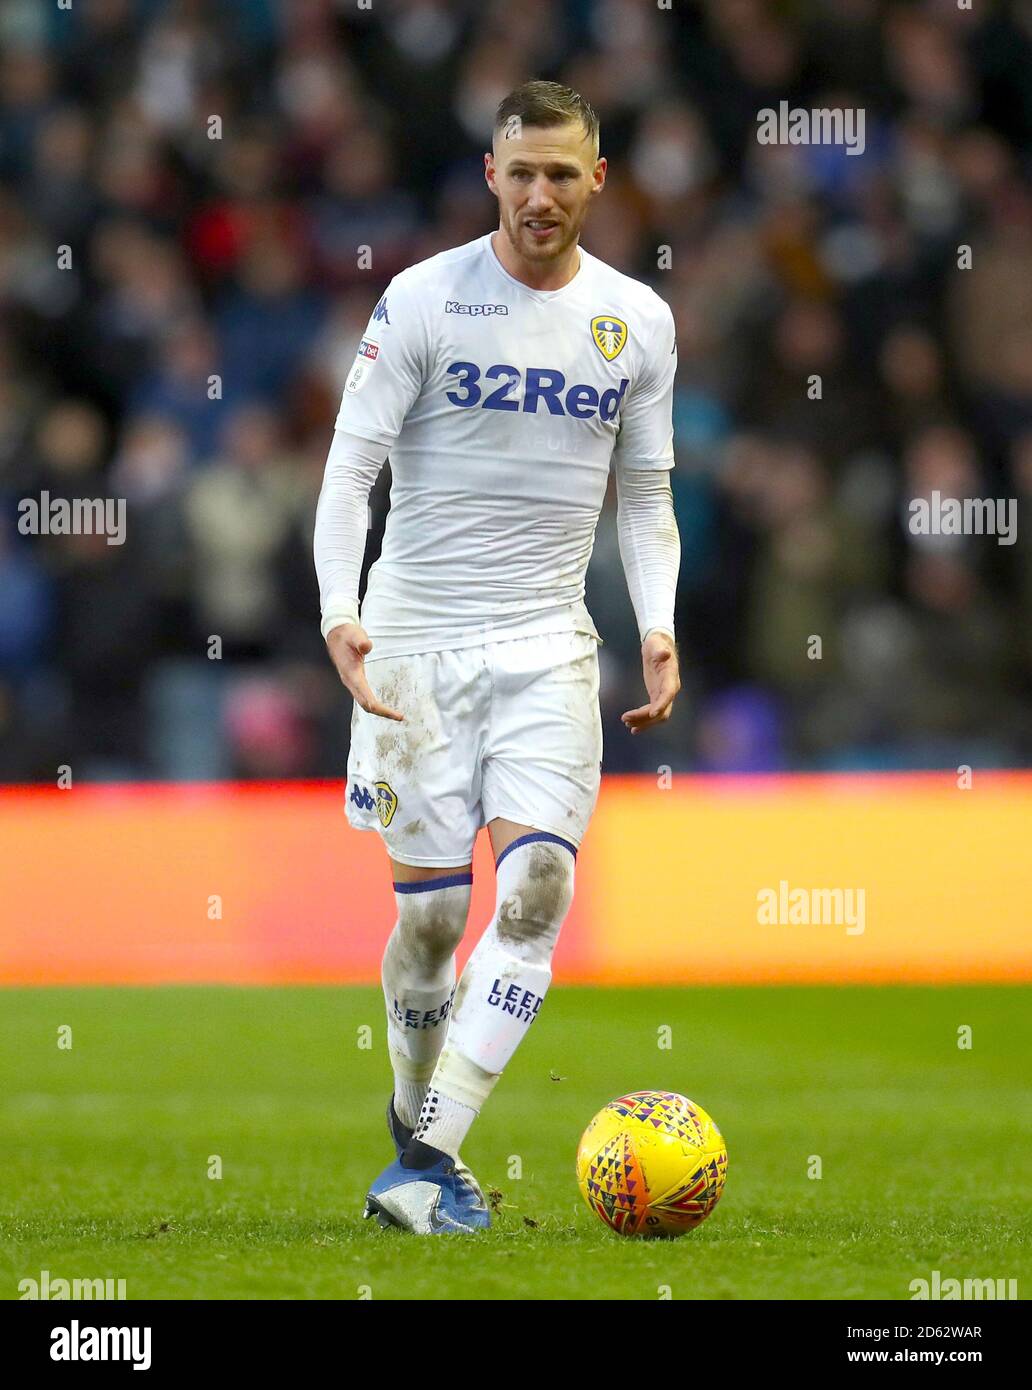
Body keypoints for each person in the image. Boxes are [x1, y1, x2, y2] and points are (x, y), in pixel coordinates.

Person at [313, 80, 681, 1234]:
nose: (540, 194)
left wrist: (657, 620)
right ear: (491, 176)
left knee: (536, 888)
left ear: (597, 182)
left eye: (563, 174)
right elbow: (349, 469)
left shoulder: (639, 323)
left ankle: (431, 1156)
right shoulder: (424, 298)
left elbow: (648, 493)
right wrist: (340, 610)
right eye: (520, 172)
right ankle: (413, 1117)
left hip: (547, 647)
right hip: (414, 644)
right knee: (429, 927)